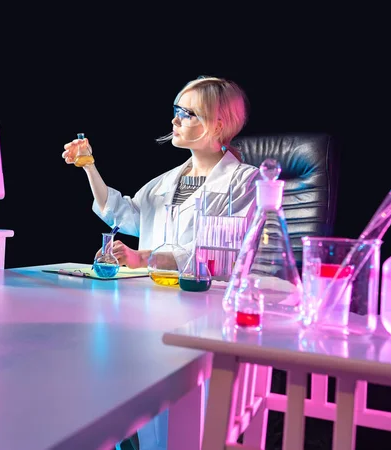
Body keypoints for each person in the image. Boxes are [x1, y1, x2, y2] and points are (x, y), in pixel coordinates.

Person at [62, 76, 260, 449]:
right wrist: (89, 167)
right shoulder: (166, 182)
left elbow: (219, 256)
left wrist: (145, 257)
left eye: (187, 114)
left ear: (218, 123)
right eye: (175, 111)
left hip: (201, 316)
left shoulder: (243, 182)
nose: (174, 121)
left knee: (179, 425)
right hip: (149, 310)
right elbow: (124, 214)